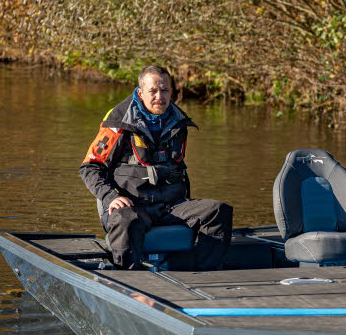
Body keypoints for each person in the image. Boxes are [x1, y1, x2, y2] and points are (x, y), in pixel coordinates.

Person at [79, 65, 233, 270]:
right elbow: (90, 167)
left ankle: (205, 275)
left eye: (165, 90)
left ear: (172, 92)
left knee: (218, 211)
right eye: (153, 91)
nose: (159, 96)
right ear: (140, 93)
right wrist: (111, 198)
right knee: (126, 220)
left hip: (171, 206)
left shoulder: (179, 122)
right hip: (132, 206)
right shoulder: (118, 122)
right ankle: (127, 280)